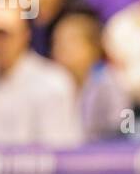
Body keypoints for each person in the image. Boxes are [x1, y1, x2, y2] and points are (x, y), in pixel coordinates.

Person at [0, 4, 83, 145]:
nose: (0, 44)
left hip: (36, 166)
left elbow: (59, 148)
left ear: (25, 35)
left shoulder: (53, 82)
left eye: (6, 36)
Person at [50, 9, 131, 140]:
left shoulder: (109, 83)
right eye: (57, 42)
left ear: (93, 47)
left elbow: (123, 129)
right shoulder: (54, 85)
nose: (61, 48)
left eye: (71, 41)